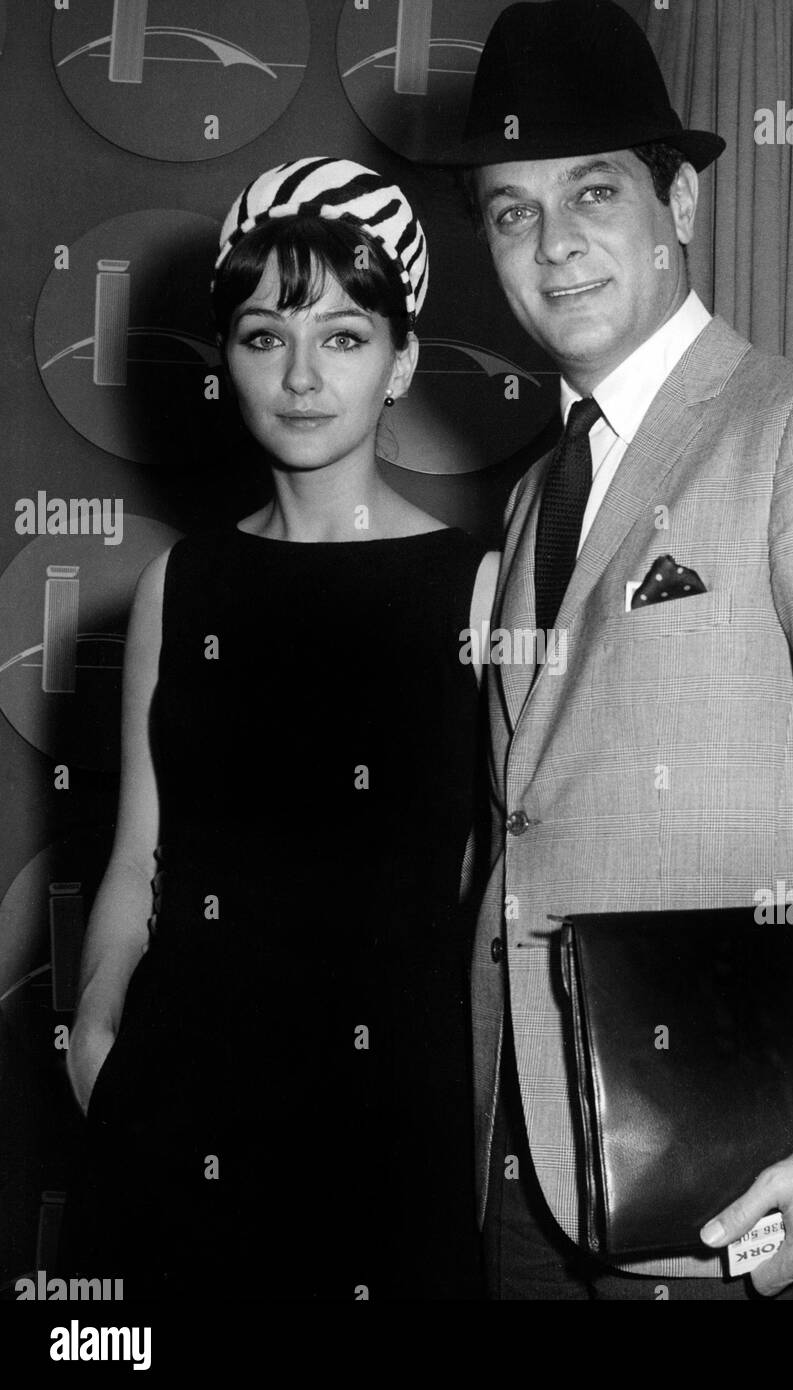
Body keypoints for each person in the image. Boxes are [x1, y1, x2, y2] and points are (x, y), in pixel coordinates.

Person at [452, 0, 793, 1300]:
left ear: (678, 201)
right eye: (511, 210)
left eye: (592, 191)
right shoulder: (530, 498)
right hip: (530, 1168)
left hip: (748, 1186)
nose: (554, 242)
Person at [60, 158, 497, 1300]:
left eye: (344, 337)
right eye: (264, 336)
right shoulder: (180, 585)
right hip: (176, 1122)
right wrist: (98, 1046)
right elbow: (138, 865)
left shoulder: (484, 592)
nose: (301, 375)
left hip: (393, 1133)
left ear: (401, 360)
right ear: (225, 360)